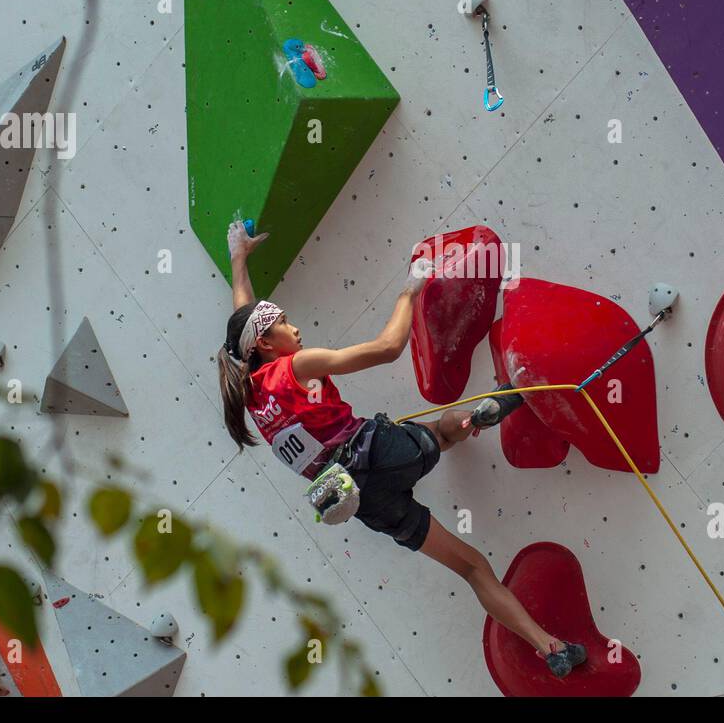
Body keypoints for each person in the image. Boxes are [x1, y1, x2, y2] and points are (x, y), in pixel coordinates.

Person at [216, 221, 586, 678]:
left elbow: (244, 319)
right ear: (268, 344)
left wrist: (239, 259)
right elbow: (388, 348)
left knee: (472, 568)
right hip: (376, 450)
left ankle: (552, 649)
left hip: (359, 497)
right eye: (286, 324)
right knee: (445, 432)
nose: (296, 328)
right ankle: (488, 409)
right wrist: (410, 290)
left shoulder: (251, 394)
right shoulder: (297, 365)